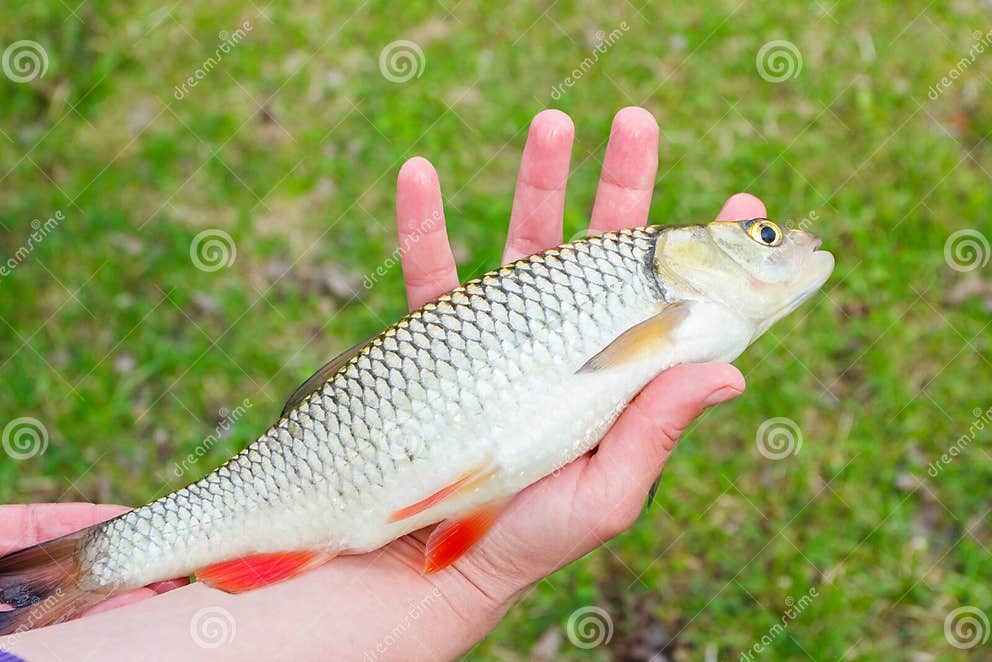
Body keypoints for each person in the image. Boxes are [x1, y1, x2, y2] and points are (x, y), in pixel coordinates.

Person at [0, 107, 761, 661]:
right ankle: (94, 566)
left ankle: (93, 568)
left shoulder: (674, 310)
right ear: (689, 257)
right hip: (343, 476)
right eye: (761, 237)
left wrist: (473, 575)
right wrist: (467, 584)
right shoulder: (659, 288)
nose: (778, 244)